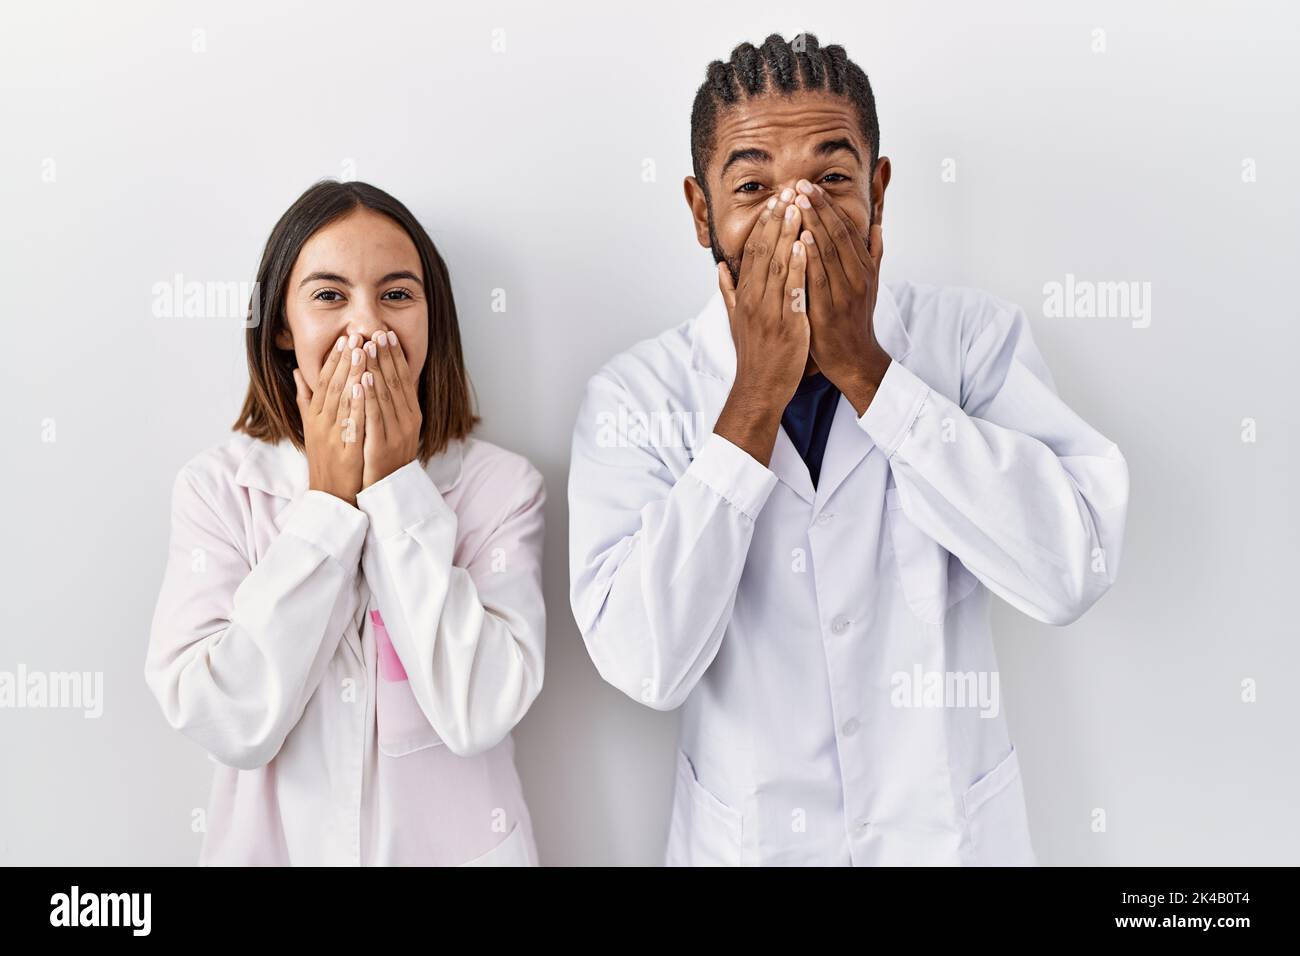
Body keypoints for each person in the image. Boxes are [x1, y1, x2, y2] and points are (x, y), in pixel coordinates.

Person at [568, 33, 1130, 865]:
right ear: (700, 212)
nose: (798, 214)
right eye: (754, 185)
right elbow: (644, 663)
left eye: (832, 179)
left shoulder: (969, 342)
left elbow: (1069, 569)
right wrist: (754, 398)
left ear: (878, 189)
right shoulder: (636, 396)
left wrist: (872, 373)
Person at [147, 181, 545, 865]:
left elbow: (481, 708)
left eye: (396, 295)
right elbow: (226, 718)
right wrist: (327, 505)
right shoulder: (217, 490)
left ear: (432, 320)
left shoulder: (502, 489)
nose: (368, 326)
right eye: (330, 296)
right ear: (281, 326)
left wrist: (395, 488)